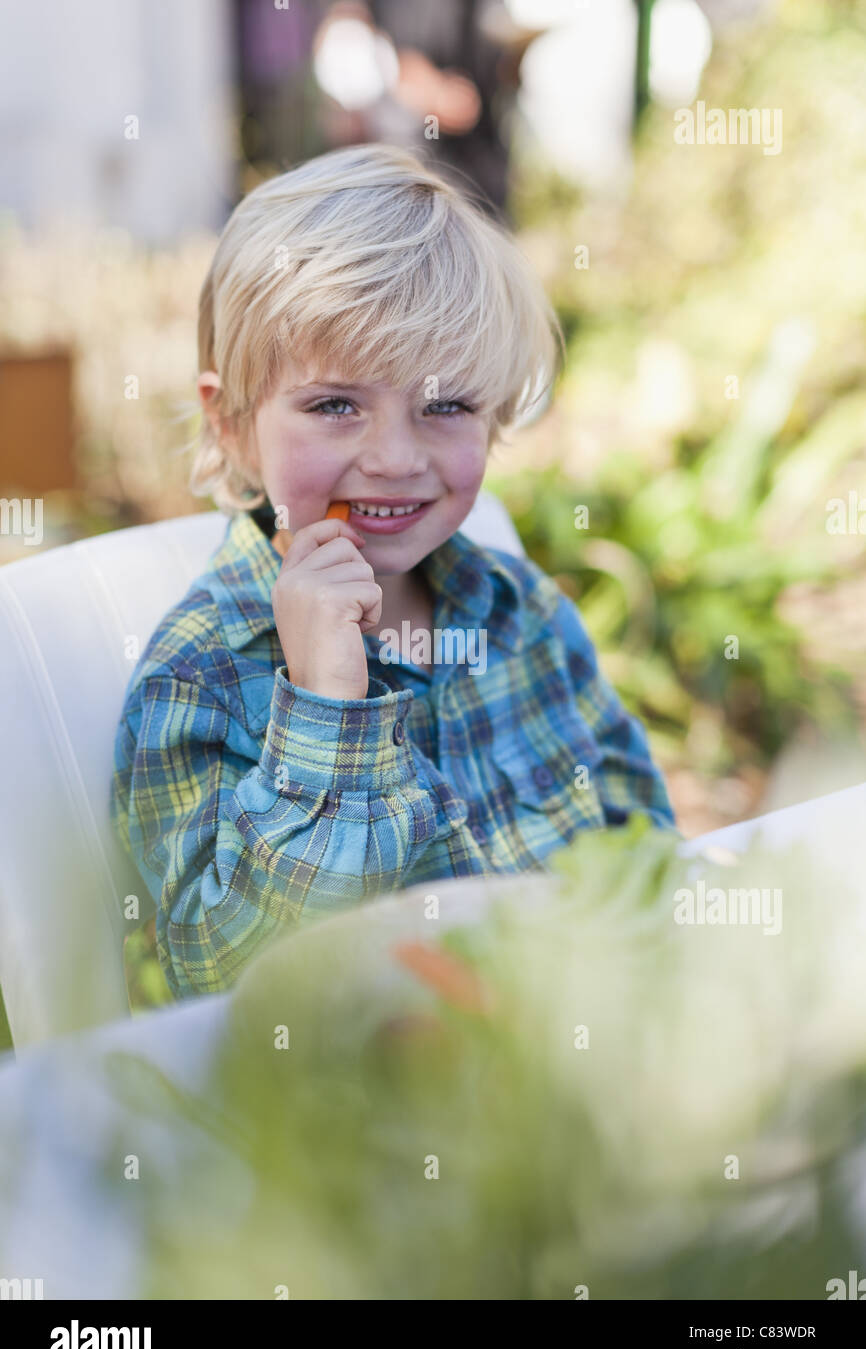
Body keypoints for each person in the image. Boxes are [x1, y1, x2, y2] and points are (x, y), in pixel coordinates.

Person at [110, 144, 675, 1000]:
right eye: (336, 405)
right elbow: (224, 984)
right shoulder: (202, 679)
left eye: (445, 405)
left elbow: (646, 853)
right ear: (231, 425)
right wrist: (328, 708)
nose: (396, 458)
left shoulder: (523, 618)